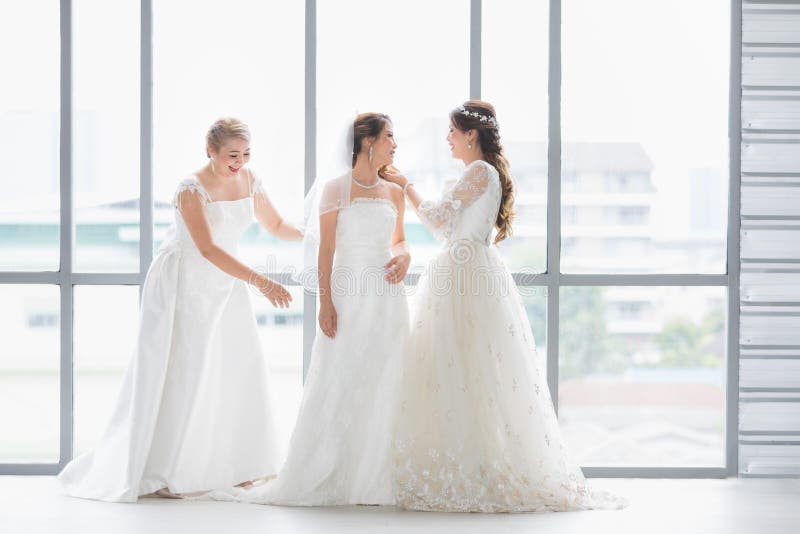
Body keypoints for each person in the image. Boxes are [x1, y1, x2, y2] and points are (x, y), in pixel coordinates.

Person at [382, 100, 627, 512]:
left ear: (471, 135)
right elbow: (449, 227)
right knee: (465, 368)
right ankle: (466, 459)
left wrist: (406, 186)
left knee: (459, 364)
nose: (448, 139)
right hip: (466, 268)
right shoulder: (481, 173)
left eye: (452, 132)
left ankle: (469, 465)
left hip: (464, 275)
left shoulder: (479, 171)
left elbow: (440, 220)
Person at [58, 118, 301, 502]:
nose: (239, 162)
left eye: (246, 154)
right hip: (185, 281)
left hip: (226, 279)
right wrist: (262, 281)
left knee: (235, 362)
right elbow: (205, 248)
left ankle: (236, 464)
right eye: (231, 155)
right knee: (185, 369)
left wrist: (317, 233)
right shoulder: (191, 188)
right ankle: (168, 469)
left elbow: (277, 224)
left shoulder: (251, 180)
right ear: (211, 151)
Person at [210, 112, 411, 506]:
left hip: (387, 299)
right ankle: (334, 470)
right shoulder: (336, 189)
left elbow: (400, 241)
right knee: (342, 377)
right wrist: (326, 304)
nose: (395, 144)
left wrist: (404, 257)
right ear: (368, 142)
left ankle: (377, 474)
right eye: (389, 136)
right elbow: (326, 251)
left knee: (387, 378)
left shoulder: (395, 191)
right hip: (348, 296)